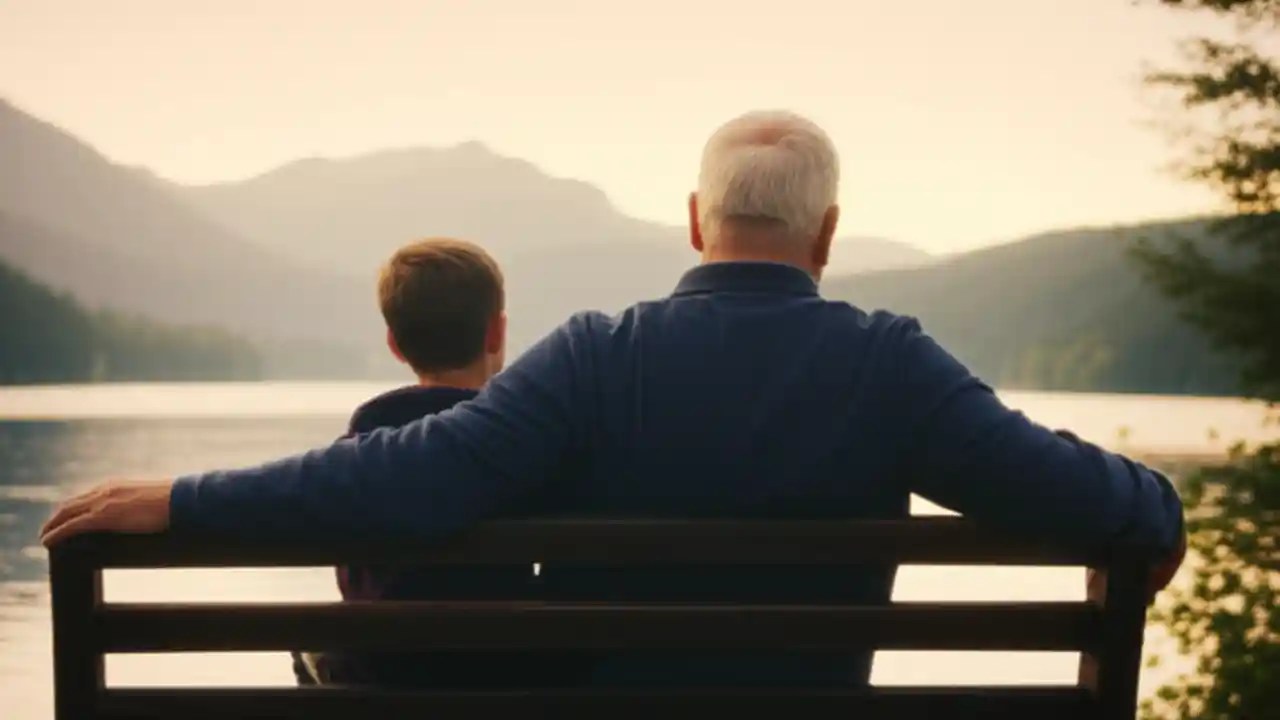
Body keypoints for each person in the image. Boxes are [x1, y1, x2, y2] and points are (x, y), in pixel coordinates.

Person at [41, 110, 1186, 687]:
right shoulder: (890, 364)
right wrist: (1151, 510)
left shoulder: (594, 355)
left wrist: (186, 499)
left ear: (694, 222)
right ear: (826, 236)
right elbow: (1075, 489)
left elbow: (407, 478)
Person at [290, 237, 555, 687]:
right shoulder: (524, 442)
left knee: (314, 645)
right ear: (496, 331)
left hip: (380, 680)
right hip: (500, 679)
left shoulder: (364, 442)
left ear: (395, 344)